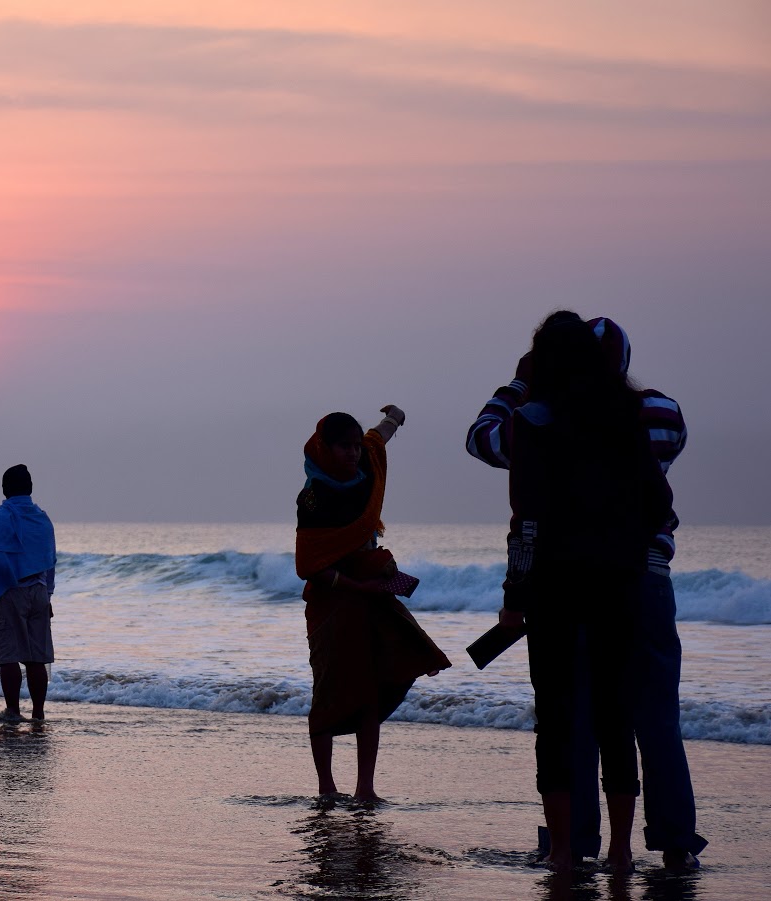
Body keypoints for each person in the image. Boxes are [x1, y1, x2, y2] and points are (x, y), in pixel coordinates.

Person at [467, 314, 704, 869]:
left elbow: (483, 441)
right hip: (644, 576)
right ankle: (672, 841)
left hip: (566, 579)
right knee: (651, 716)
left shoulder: (539, 422)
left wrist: (517, 385)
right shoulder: (659, 413)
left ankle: (573, 843)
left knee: (571, 715)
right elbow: (657, 493)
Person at [294, 407, 450, 803]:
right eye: (343, 448)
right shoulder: (314, 496)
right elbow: (309, 565)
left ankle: (366, 788)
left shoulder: (367, 469)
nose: (352, 454)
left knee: (374, 687)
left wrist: (395, 418)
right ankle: (326, 788)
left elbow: (377, 439)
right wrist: (357, 585)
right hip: (332, 601)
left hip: (371, 595)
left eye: (354, 447)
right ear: (325, 448)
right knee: (328, 691)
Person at [0, 464, 57, 724]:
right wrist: (48, 596)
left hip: (11, 590)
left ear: (5, 489)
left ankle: (13, 712)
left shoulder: (0, 518)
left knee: (8, 655)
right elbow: (50, 561)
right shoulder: (42, 519)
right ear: (30, 488)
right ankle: (38, 715)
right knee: (36, 658)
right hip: (40, 591)